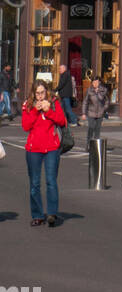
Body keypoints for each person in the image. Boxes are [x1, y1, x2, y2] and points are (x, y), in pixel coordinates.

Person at [22, 81, 66, 227]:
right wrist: (35, 110)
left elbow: (61, 120)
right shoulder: (28, 105)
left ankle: (52, 213)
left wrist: (48, 111)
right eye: (37, 93)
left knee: (51, 181)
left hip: (51, 148)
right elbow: (25, 126)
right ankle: (38, 215)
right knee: (34, 183)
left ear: (47, 92)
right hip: (34, 149)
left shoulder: (54, 102)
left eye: (42, 92)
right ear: (33, 94)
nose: (40, 96)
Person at [82, 76, 110, 146]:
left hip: (100, 113)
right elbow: (85, 102)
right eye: (93, 82)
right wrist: (83, 113)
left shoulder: (103, 90)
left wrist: (104, 108)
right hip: (91, 112)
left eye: (96, 82)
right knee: (91, 127)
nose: (94, 84)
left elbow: (107, 100)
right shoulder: (89, 90)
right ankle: (88, 144)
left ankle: (96, 146)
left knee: (97, 130)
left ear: (99, 82)